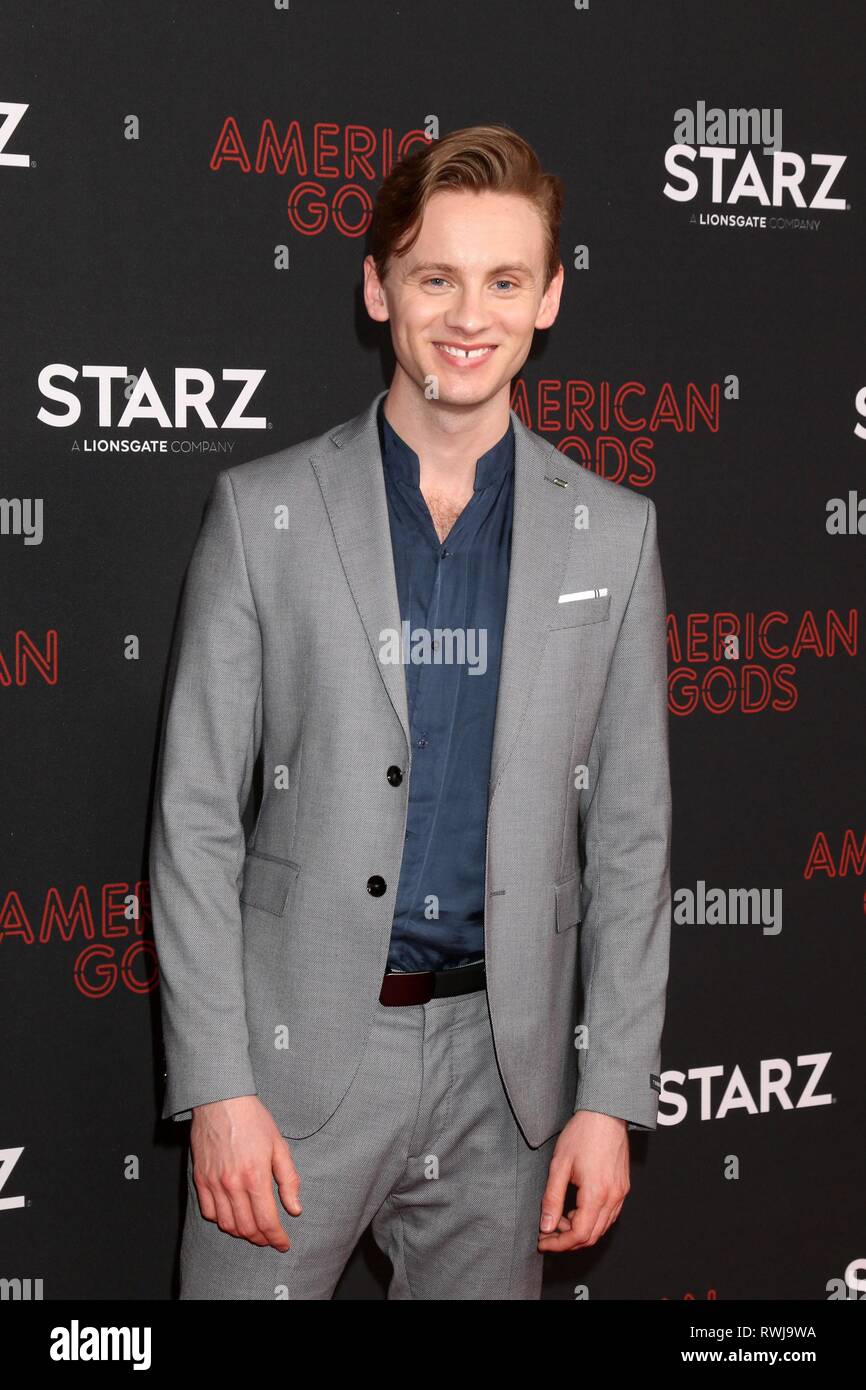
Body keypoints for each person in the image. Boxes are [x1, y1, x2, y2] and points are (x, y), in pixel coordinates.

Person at [149, 123, 672, 1300]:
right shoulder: (259, 513)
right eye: (435, 275)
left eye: (502, 280)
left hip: (509, 1082)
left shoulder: (614, 532)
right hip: (290, 1073)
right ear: (379, 285)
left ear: (546, 299)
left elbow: (632, 839)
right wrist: (219, 1085)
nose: (466, 315)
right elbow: (193, 820)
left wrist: (609, 1096)